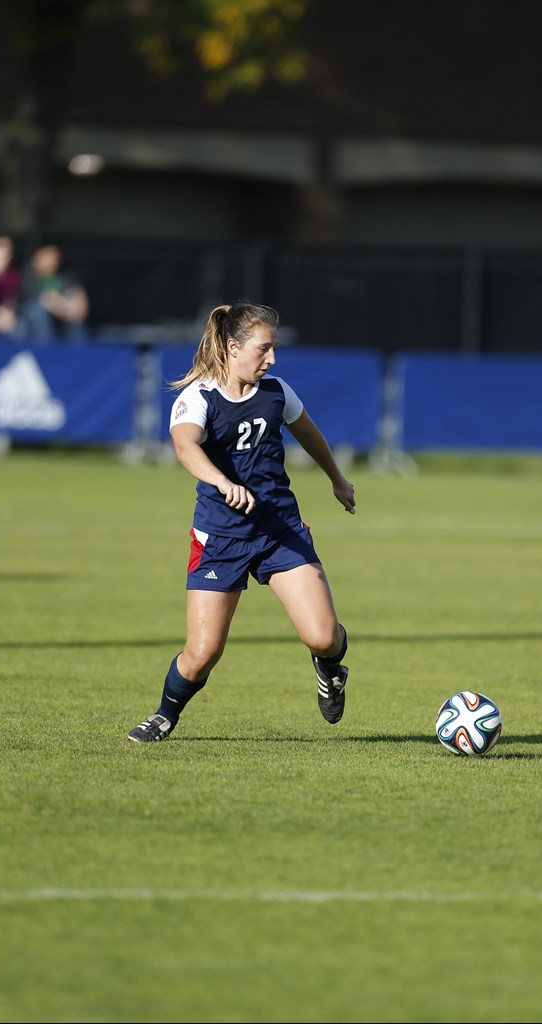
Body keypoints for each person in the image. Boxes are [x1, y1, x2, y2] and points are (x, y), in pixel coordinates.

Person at [128, 302, 356, 743]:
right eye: (263, 349)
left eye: (273, 349)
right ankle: (163, 715)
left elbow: (308, 432)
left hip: (279, 531)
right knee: (201, 654)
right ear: (233, 347)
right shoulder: (198, 396)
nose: (271, 359)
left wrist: (337, 479)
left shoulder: (275, 391)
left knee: (324, 637)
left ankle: (330, 669)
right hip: (221, 537)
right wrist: (220, 480)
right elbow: (185, 448)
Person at [17, 243, 89, 341]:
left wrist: (75, 306)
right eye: (47, 256)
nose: (51, 261)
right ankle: (45, 351)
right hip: (30, 319)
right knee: (38, 311)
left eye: (55, 258)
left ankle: (79, 354)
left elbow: (80, 299)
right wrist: (62, 309)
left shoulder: (65, 275)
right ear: (37, 257)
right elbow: (45, 300)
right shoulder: (27, 274)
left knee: (76, 319)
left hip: (62, 316)